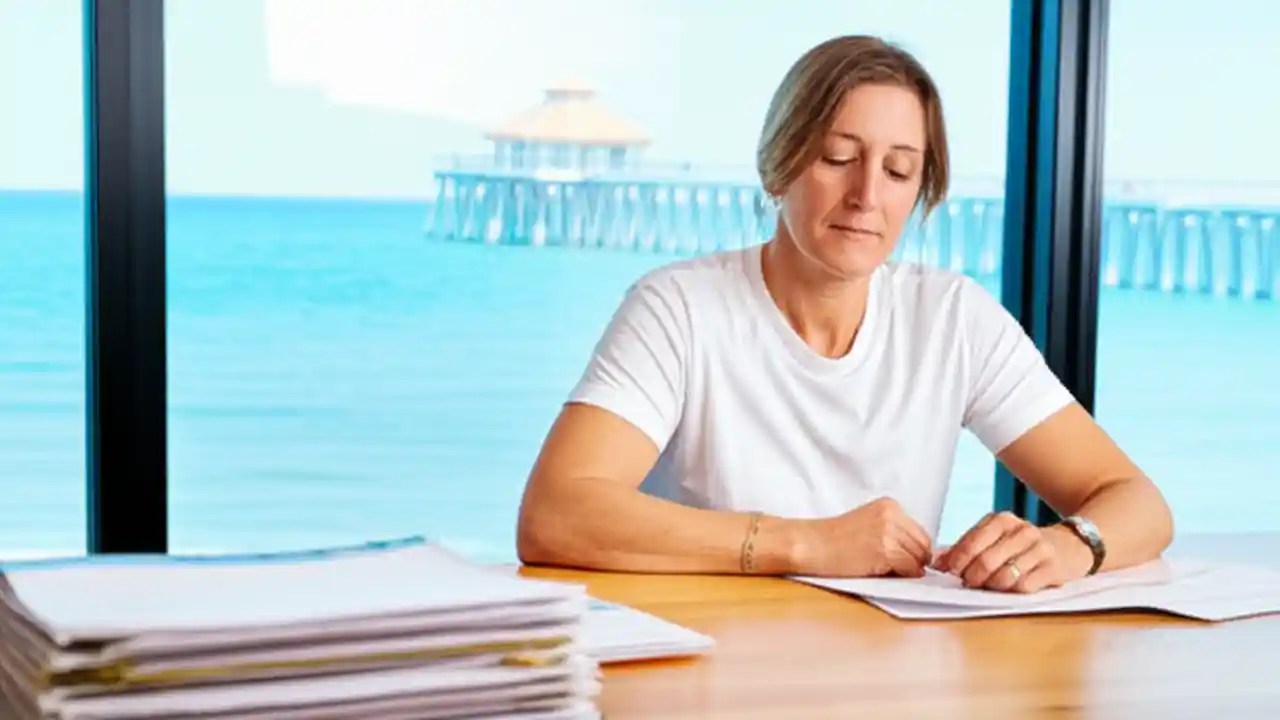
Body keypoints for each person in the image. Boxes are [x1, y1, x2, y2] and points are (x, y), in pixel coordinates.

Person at [515, 35, 1173, 593]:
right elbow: (555, 514)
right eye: (838, 158)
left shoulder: (950, 317)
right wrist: (807, 545)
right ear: (780, 165)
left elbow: (1136, 502)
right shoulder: (679, 309)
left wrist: (1067, 547)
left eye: (898, 170)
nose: (865, 195)